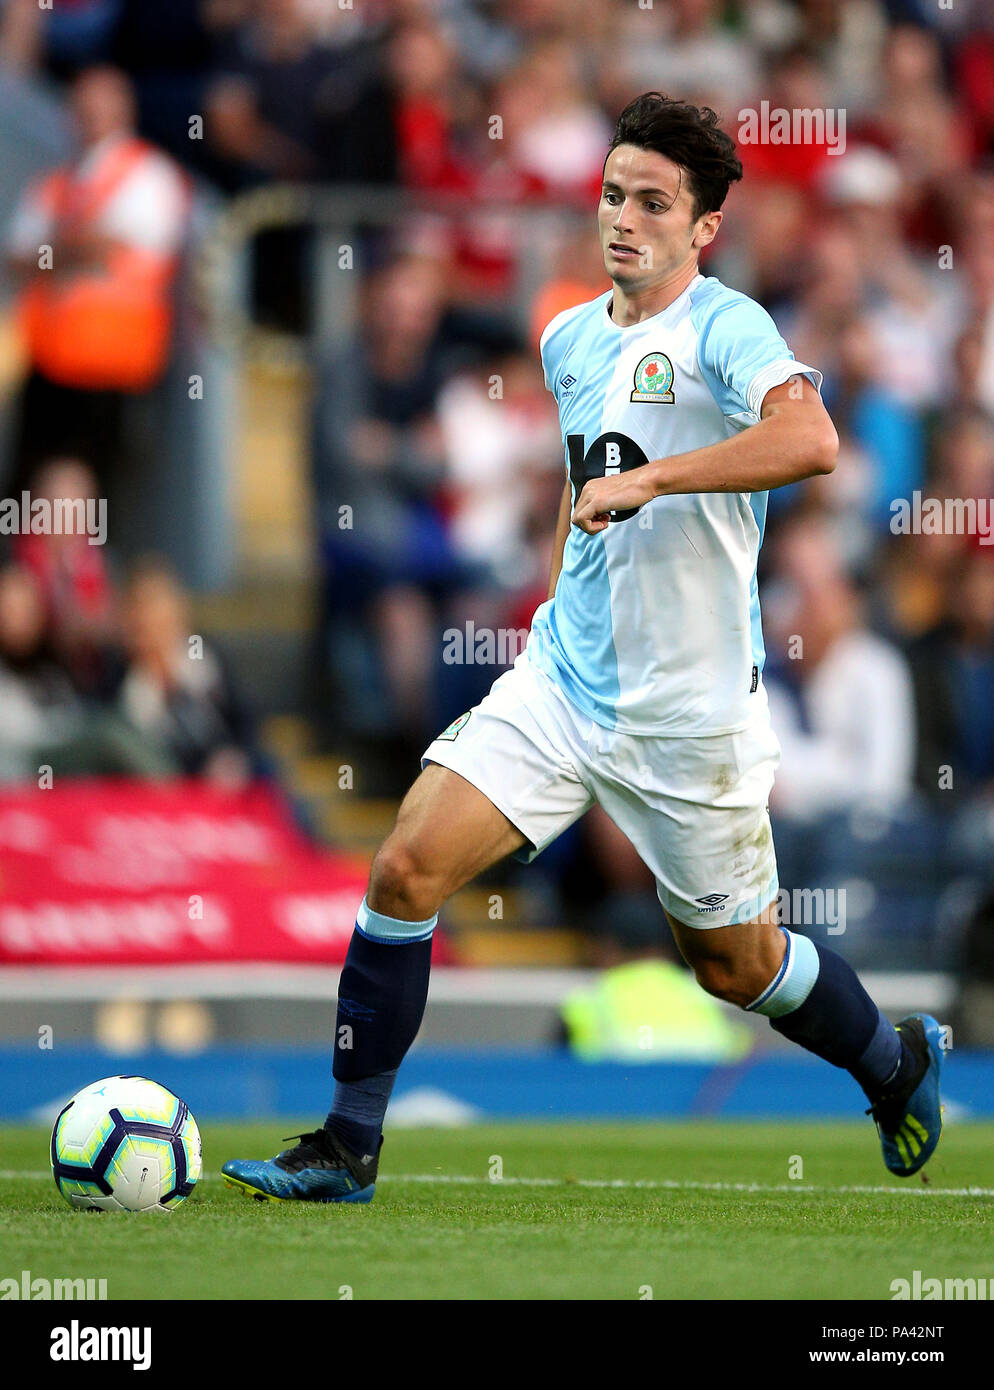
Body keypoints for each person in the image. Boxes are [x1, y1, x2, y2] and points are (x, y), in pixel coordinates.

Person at [223, 93, 944, 1205]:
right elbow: (586, 486)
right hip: (566, 678)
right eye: (612, 194)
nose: (623, 218)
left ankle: (895, 1063)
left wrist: (652, 480)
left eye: (653, 202)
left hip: (692, 713)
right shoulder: (565, 335)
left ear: (703, 227)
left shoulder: (725, 327)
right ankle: (346, 1144)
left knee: (734, 965)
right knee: (407, 864)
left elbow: (811, 439)